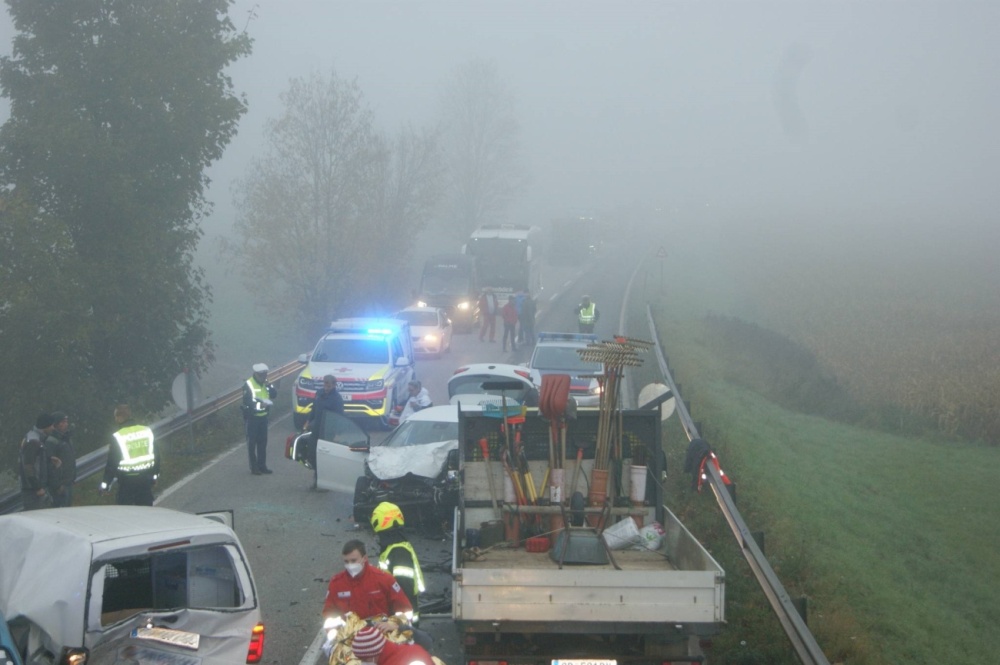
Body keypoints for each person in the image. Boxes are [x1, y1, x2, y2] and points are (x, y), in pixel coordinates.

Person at [372, 502, 425, 620]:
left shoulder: (398, 553)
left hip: (402, 619)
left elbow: (404, 587)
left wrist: (398, 620)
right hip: (399, 615)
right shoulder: (395, 547)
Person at [101, 404, 159, 506]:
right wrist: (155, 475)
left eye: (116, 417)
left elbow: (112, 462)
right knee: (146, 510)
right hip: (145, 480)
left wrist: (106, 484)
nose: (115, 419)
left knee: (125, 512)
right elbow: (156, 455)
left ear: (120, 417)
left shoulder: (118, 436)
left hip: (126, 482)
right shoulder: (146, 431)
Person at [303, 374, 345, 469]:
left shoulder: (337, 398)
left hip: (328, 430)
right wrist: (308, 421)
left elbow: (340, 416)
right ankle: (315, 469)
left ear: (334, 385)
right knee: (312, 452)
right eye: (325, 384)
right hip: (316, 427)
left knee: (324, 455)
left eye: (328, 385)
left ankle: (322, 473)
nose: (326, 387)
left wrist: (338, 433)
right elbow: (314, 409)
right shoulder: (319, 393)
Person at [242, 362, 277, 475]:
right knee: (252, 444)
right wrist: (259, 405)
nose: (263, 377)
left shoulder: (266, 383)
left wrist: (269, 385)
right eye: (261, 375)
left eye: (265, 375)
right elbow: (247, 401)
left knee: (262, 443)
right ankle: (254, 467)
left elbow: (274, 395)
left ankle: (262, 466)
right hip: (252, 418)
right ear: (256, 374)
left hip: (263, 418)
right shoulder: (249, 384)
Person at [19, 413, 56, 510]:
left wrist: (49, 459)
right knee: (35, 516)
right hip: (33, 491)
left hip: (36, 489)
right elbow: (28, 466)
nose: (53, 428)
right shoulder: (33, 441)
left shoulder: (36, 438)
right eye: (52, 425)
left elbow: (35, 460)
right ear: (45, 425)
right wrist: (37, 487)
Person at [350, 625, 435, 665]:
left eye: (365, 659)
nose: (363, 663)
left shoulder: (408, 658)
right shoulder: (409, 650)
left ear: (374, 653)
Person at [47, 411, 77, 507]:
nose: (66, 424)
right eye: (63, 422)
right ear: (55, 424)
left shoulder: (66, 439)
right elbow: (50, 466)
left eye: (66, 421)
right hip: (59, 485)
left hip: (68, 483)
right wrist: (57, 485)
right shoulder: (51, 441)